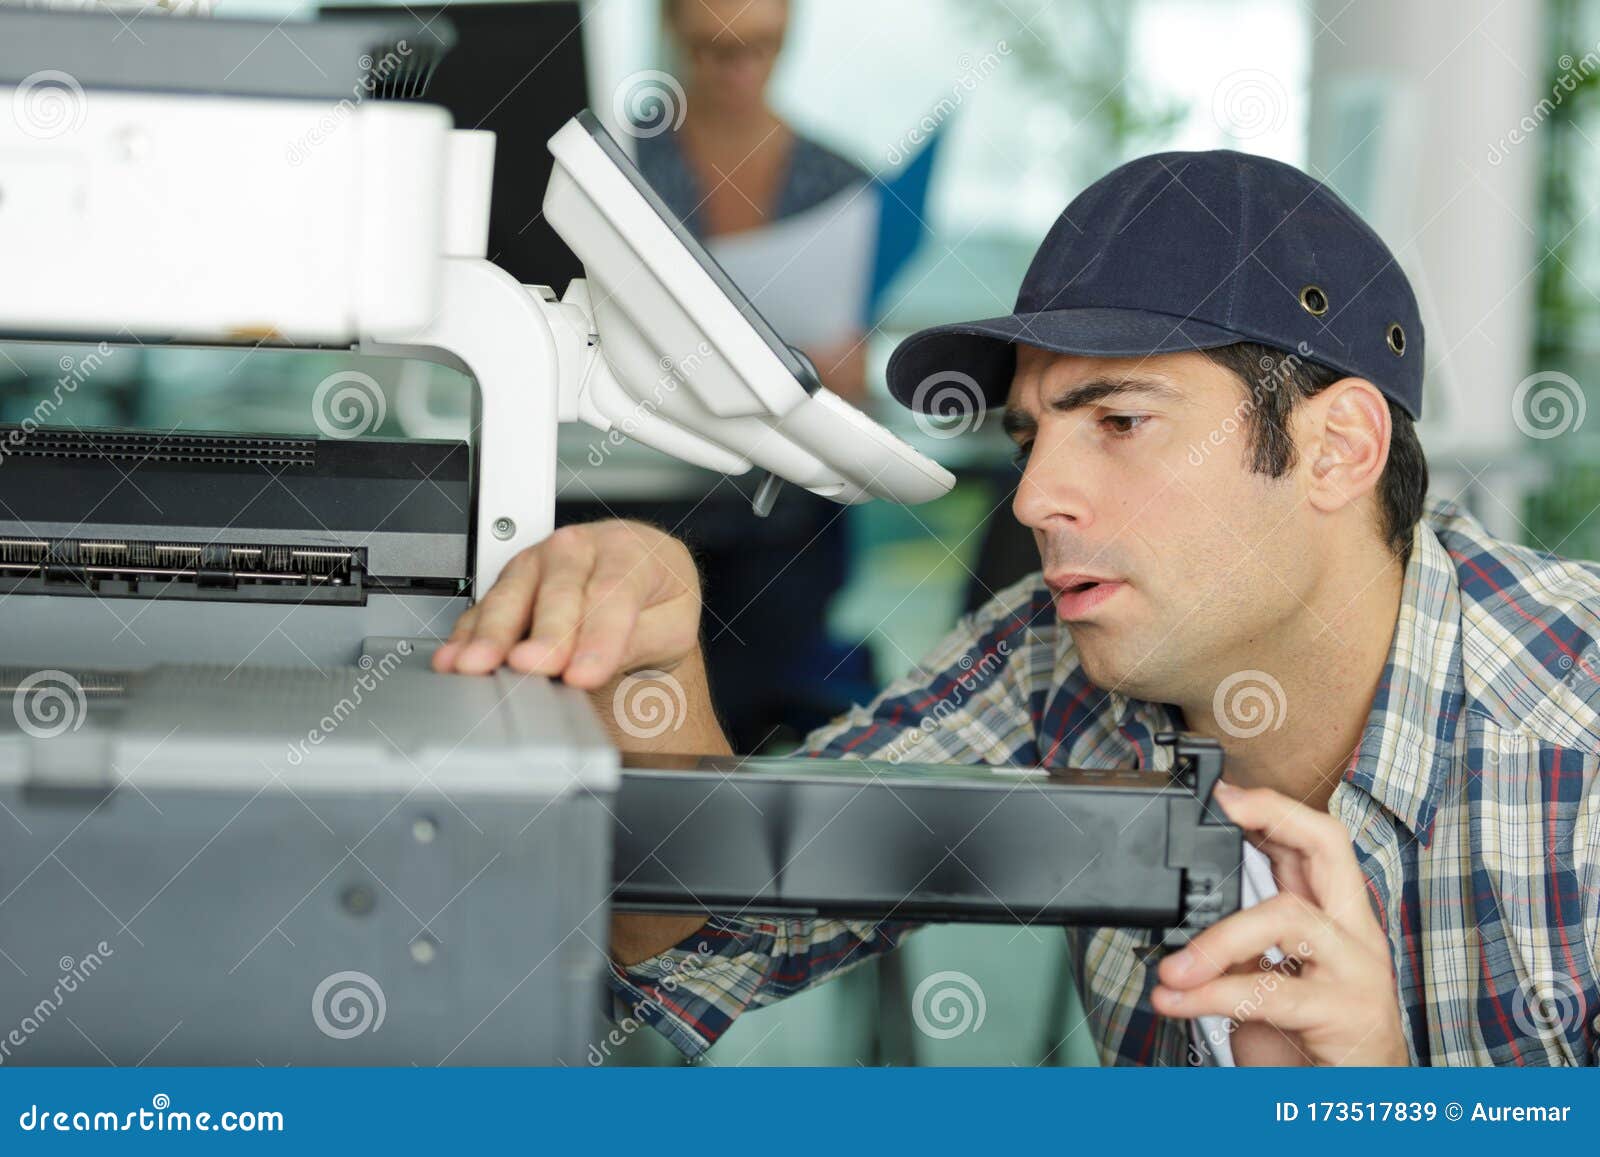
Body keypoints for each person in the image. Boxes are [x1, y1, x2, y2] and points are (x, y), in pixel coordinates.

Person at [436, 148, 1600, 1066]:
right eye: (1030, 435)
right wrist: (645, 669)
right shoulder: (1049, 659)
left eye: (1120, 421)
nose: (1036, 496)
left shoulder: (1574, 736)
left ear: (1337, 446)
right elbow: (709, 936)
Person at [559, 0, 874, 753]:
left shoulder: (838, 182)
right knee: (610, 636)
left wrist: (831, 364)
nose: (738, 71)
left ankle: (720, 775)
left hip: (775, 509)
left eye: (761, 48)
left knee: (751, 656)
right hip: (631, 474)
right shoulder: (616, 164)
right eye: (715, 49)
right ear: (673, 32)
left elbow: (853, 379)